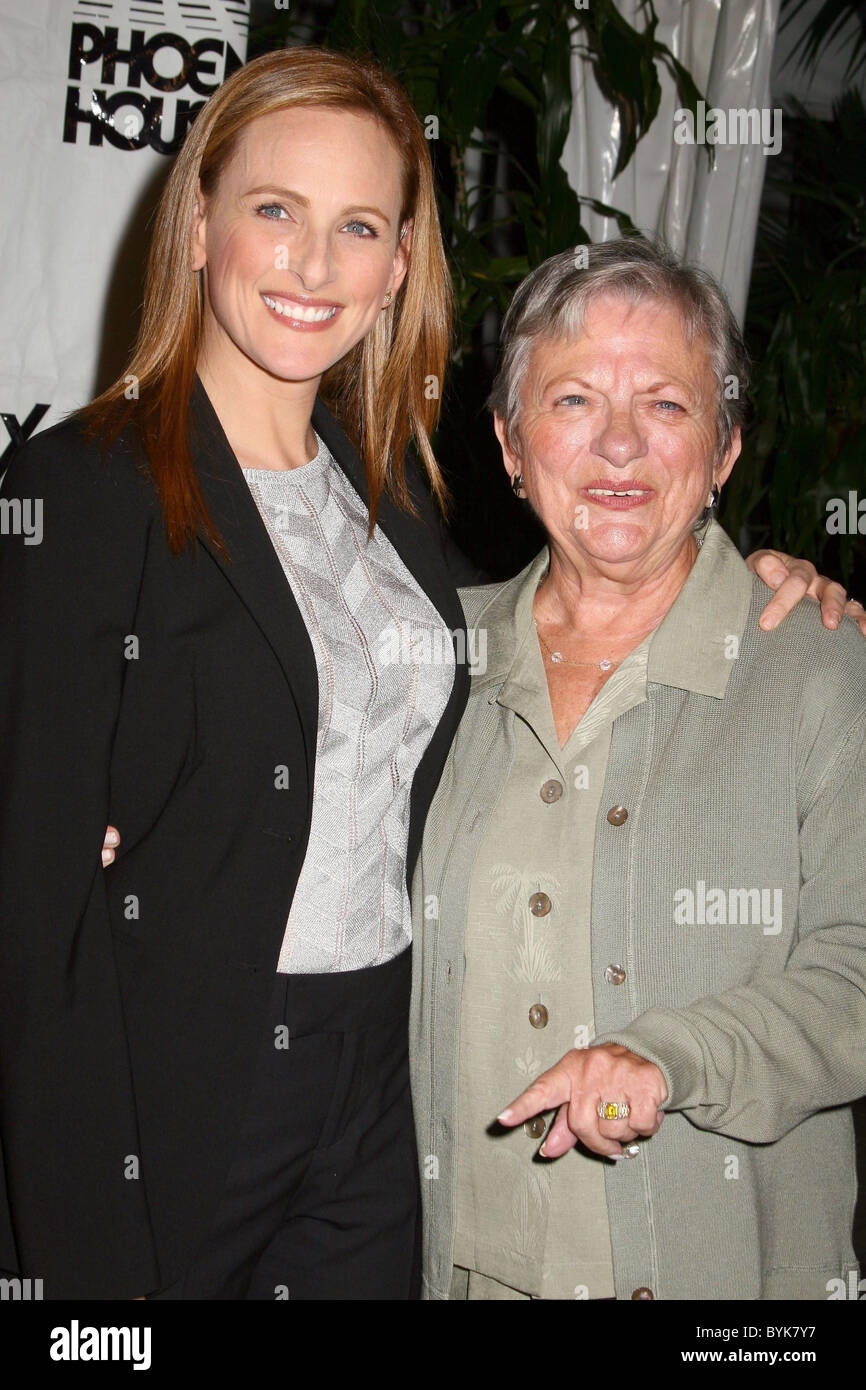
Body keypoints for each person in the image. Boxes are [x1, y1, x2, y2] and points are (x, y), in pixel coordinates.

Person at [1, 48, 858, 1302]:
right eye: (274, 211)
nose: (311, 264)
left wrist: (789, 584)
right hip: (181, 1084)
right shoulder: (76, 492)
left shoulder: (394, 505)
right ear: (196, 225)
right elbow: (37, 937)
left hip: (376, 1101)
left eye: (357, 225)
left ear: (399, 262)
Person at [409, 237, 866, 1301]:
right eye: (570, 401)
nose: (618, 444)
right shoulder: (433, 660)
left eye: (664, 404)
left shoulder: (812, 662)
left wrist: (670, 1059)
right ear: (510, 446)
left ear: (722, 450)